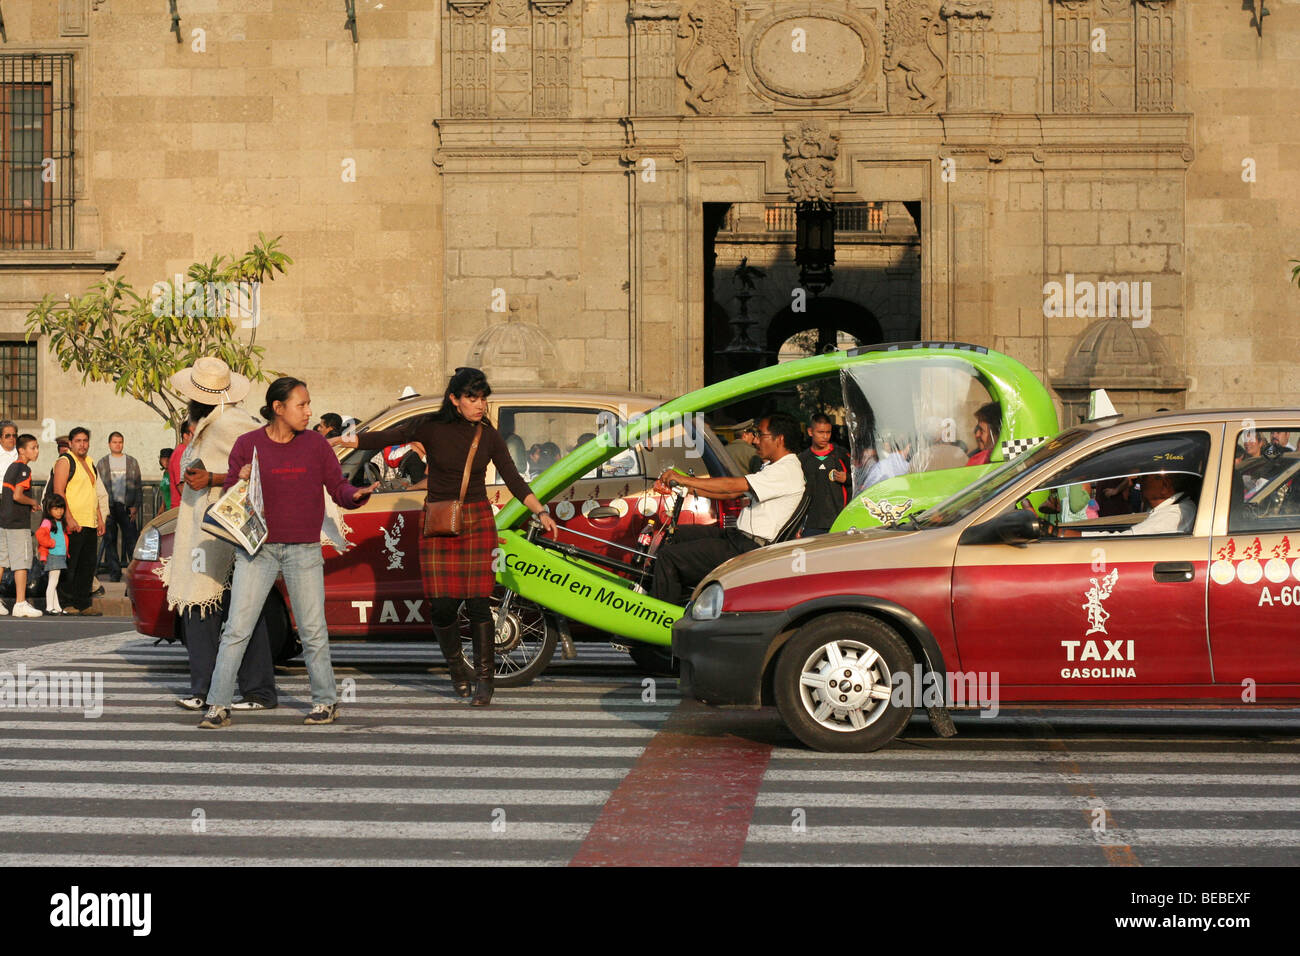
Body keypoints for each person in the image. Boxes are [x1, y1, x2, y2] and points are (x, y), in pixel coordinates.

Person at [334, 367, 558, 707]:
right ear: (454, 399)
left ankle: (485, 679)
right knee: (442, 605)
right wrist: (343, 439)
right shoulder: (430, 427)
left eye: (483, 398)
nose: (479, 404)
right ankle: (456, 667)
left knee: (479, 602)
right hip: (439, 518)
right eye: (472, 398)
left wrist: (540, 511)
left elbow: (513, 478)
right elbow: (383, 438)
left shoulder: (488, 435)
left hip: (477, 518)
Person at [200, 376, 375, 729]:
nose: (309, 412)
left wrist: (355, 495)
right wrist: (241, 478)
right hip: (257, 550)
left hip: (304, 551)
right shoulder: (247, 445)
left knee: (313, 631)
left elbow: (337, 486)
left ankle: (325, 703)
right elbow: (232, 493)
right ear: (278, 409)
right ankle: (218, 705)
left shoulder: (316, 445)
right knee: (237, 629)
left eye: (309, 404)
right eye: (302, 405)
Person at [163, 357, 285, 715]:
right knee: (239, 609)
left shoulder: (229, 424)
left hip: (223, 530)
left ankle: (220, 688)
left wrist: (212, 479)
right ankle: (245, 689)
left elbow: (264, 468)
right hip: (216, 530)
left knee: (207, 607)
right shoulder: (221, 422)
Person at [650, 413, 805, 606]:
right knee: (676, 534)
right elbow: (731, 495)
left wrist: (684, 479)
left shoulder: (786, 470)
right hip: (738, 537)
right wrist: (686, 488)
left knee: (669, 558)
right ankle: (683, 597)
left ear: (779, 438)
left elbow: (732, 486)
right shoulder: (775, 467)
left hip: (749, 548)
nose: (755, 440)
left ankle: (660, 617)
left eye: (760, 434)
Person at [50, 427, 104, 616]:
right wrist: (69, 517)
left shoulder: (89, 462)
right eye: (78, 441)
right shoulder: (65, 461)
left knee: (87, 566)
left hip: (90, 521)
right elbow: (58, 491)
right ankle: (67, 602)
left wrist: (99, 517)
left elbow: (93, 492)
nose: (82, 444)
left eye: (85, 441)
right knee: (70, 565)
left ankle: (83, 603)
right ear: (71, 443)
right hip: (73, 521)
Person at [1, 434, 42, 617]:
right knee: (21, 563)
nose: (36, 451)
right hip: (18, 523)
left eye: (37, 447)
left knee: (2, 561)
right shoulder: (24, 469)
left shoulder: (11, 468)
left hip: (4, 521)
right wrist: (32, 501)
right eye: (32, 448)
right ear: (22, 450)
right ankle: (20, 603)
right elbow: (18, 495)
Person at [96, 432, 143, 583]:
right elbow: (97, 487)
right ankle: (115, 572)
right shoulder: (102, 463)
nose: (117, 444)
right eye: (114, 442)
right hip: (109, 507)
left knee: (131, 540)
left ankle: (134, 571)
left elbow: (137, 486)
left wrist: (135, 505)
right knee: (110, 540)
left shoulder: (131, 462)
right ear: (109, 444)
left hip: (126, 506)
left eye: (120, 442)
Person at [798, 413, 852, 536]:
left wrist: (847, 478)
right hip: (813, 523)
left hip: (839, 520)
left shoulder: (841, 454)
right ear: (810, 432)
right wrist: (799, 525)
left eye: (828, 432)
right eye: (821, 432)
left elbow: (859, 480)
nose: (825, 436)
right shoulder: (803, 459)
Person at [36, 493, 67, 615]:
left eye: (61, 508)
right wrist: (50, 543)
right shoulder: (47, 522)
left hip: (59, 555)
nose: (59, 511)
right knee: (53, 582)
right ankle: (49, 607)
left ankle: (56, 607)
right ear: (48, 510)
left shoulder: (58, 522)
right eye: (55, 508)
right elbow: (39, 535)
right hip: (53, 554)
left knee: (54, 582)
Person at [0, 421, 17, 610]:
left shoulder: (19, 454)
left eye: (14, 435)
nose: (12, 439)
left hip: (15, 503)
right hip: (1, 500)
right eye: (7, 435)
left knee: (13, 552)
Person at [168, 419, 194, 504]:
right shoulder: (181, 452)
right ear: (185, 436)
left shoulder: (186, 451)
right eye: (194, 434)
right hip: (180, 508)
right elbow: (181, 486)